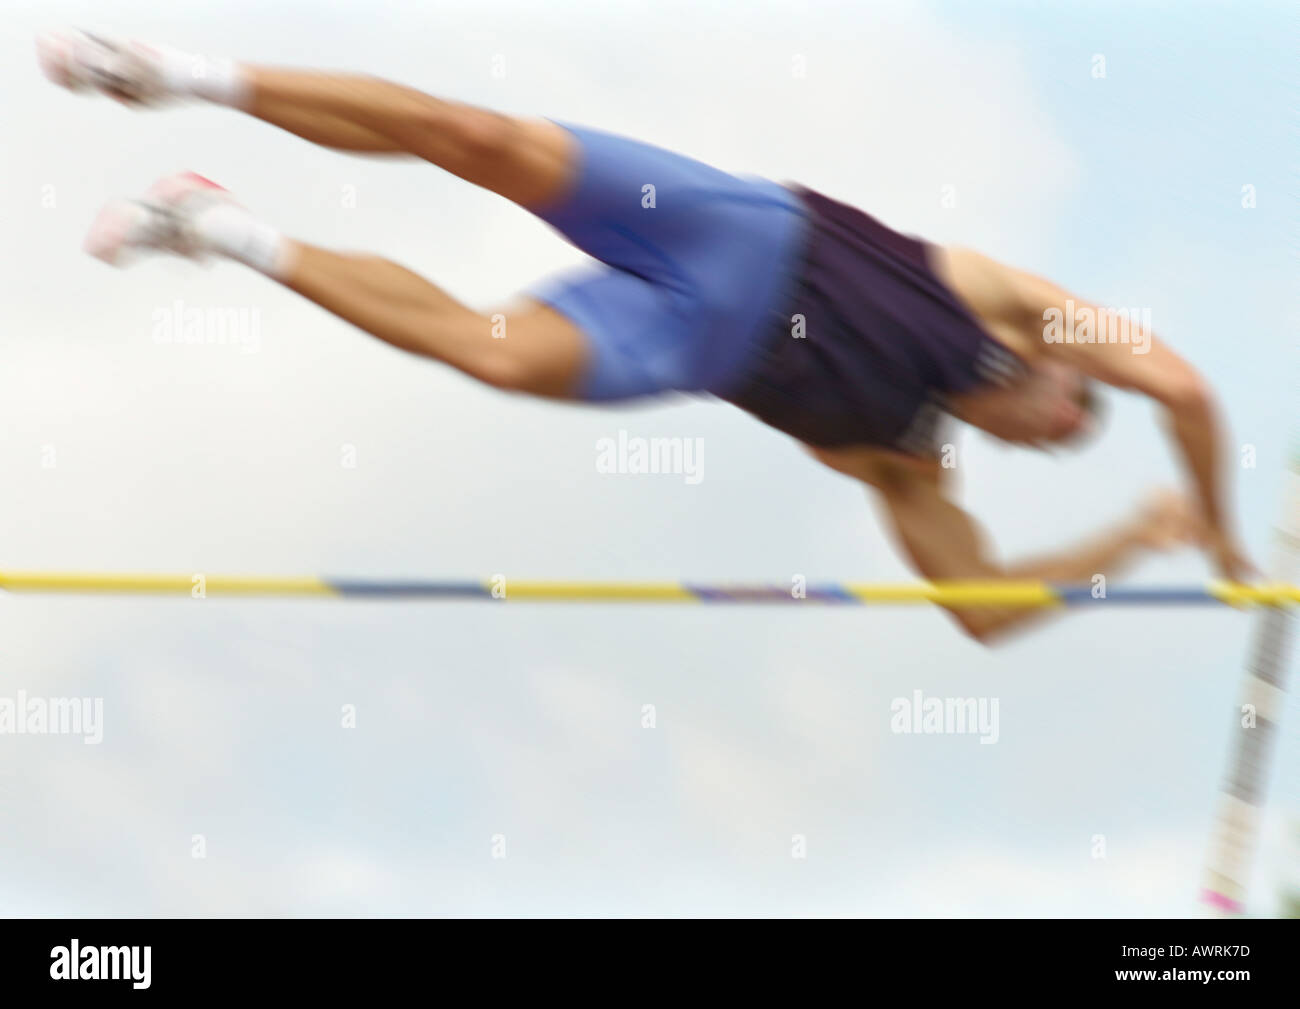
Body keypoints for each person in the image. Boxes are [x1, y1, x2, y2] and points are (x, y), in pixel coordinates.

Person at [36, 29, 1253, 642]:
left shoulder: (904, 458)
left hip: (680, 344)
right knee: (482, 140)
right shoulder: (1008, 304)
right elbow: (1184, 388)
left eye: (1048, 449)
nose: (1044, 435)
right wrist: (1225, 534)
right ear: (1058, 378)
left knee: (488, 352)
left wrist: (1138, 541)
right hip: (730, 231)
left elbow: (980, 609)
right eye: (1062, 418)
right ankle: (173, 73)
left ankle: (210, 226)